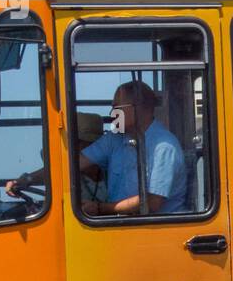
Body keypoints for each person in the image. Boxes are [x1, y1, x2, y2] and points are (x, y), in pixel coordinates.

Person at [79, 80, 187, 216]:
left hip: (156, 229)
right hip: (123, 226)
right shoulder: (115, 138)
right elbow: (77, 163)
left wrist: (101, 208)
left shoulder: (164, 146)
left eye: (116, 107)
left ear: (136, 107)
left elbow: (152, 202)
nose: (112, 113)